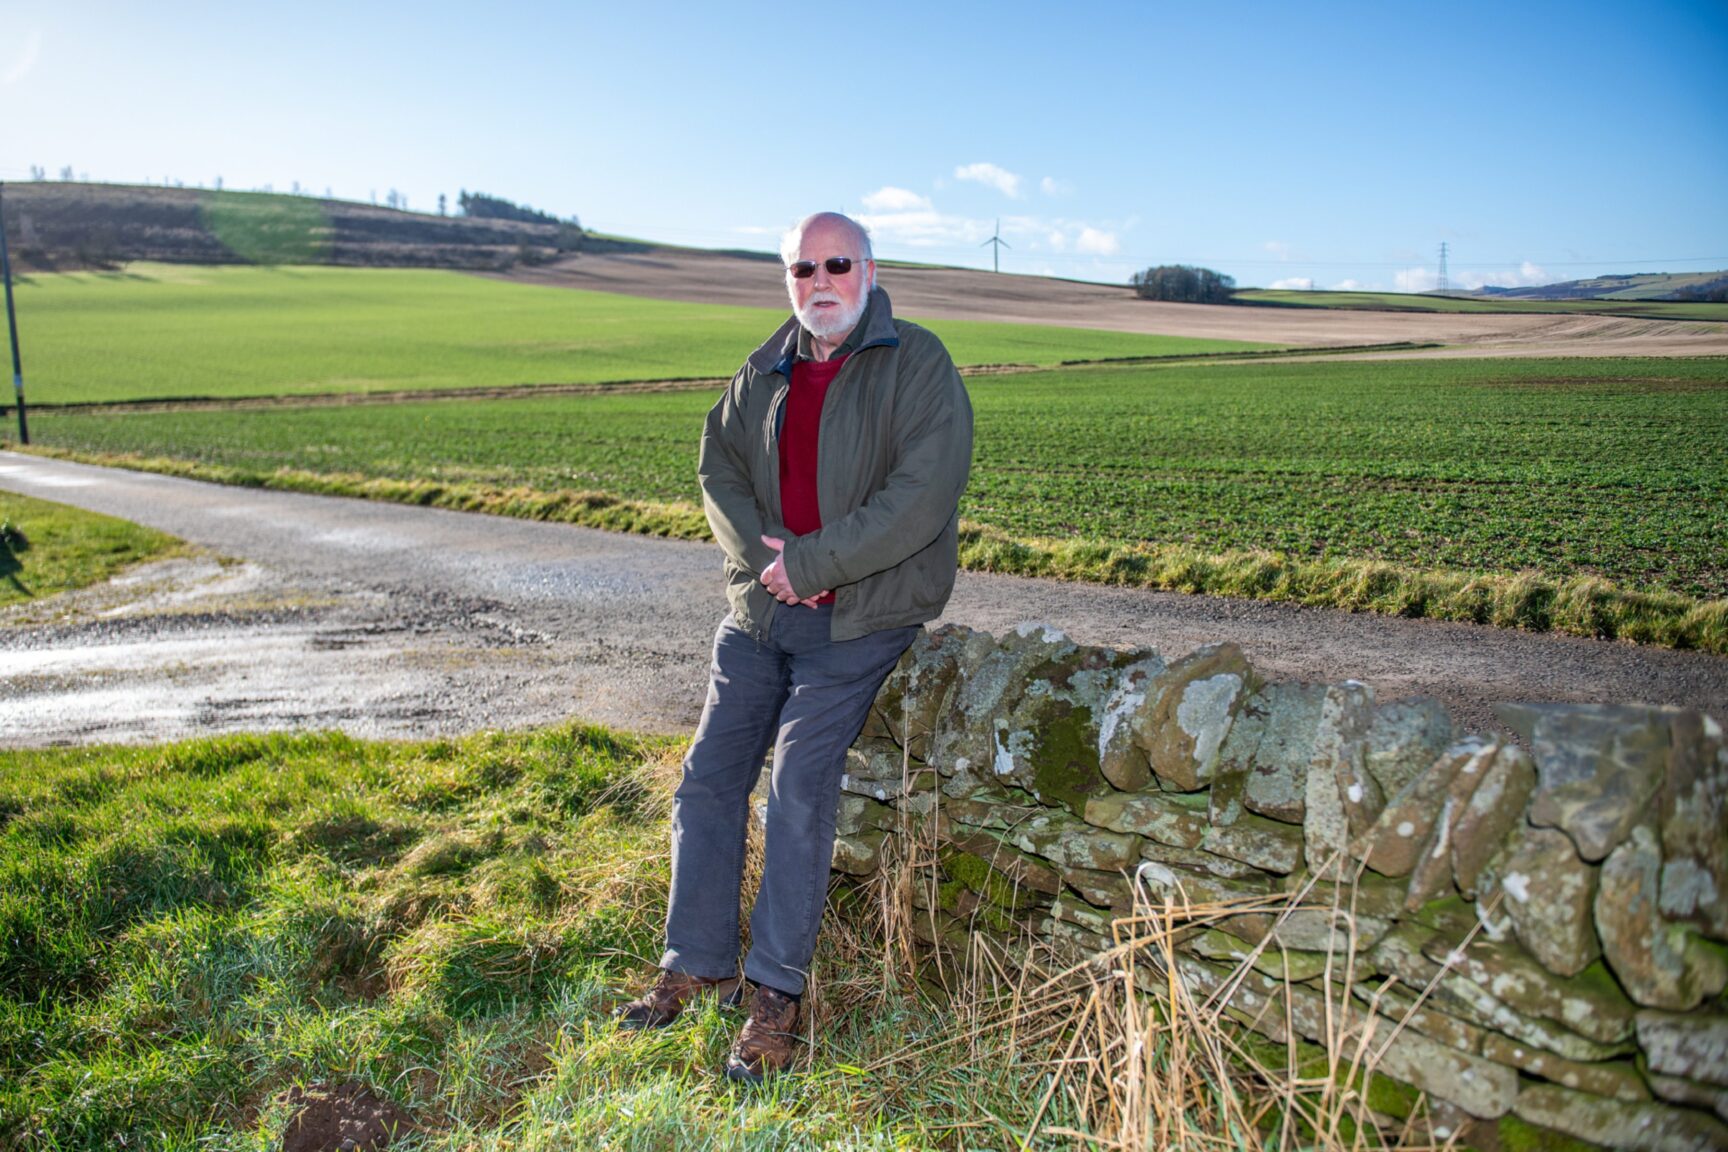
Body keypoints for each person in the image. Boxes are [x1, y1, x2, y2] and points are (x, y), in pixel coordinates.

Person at [617, 211, 974, 1082]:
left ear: (869, 271)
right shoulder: (764, 368)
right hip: (762, 613)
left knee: (798, 784)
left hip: (862, 614)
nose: (819, 282)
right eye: (802, 269)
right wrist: (769, 564)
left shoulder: (918, 363)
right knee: (708, 777)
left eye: (836, 264)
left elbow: (922, 494)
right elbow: (719, 469)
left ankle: (775, 994)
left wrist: (813, 563)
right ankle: (696, 962)